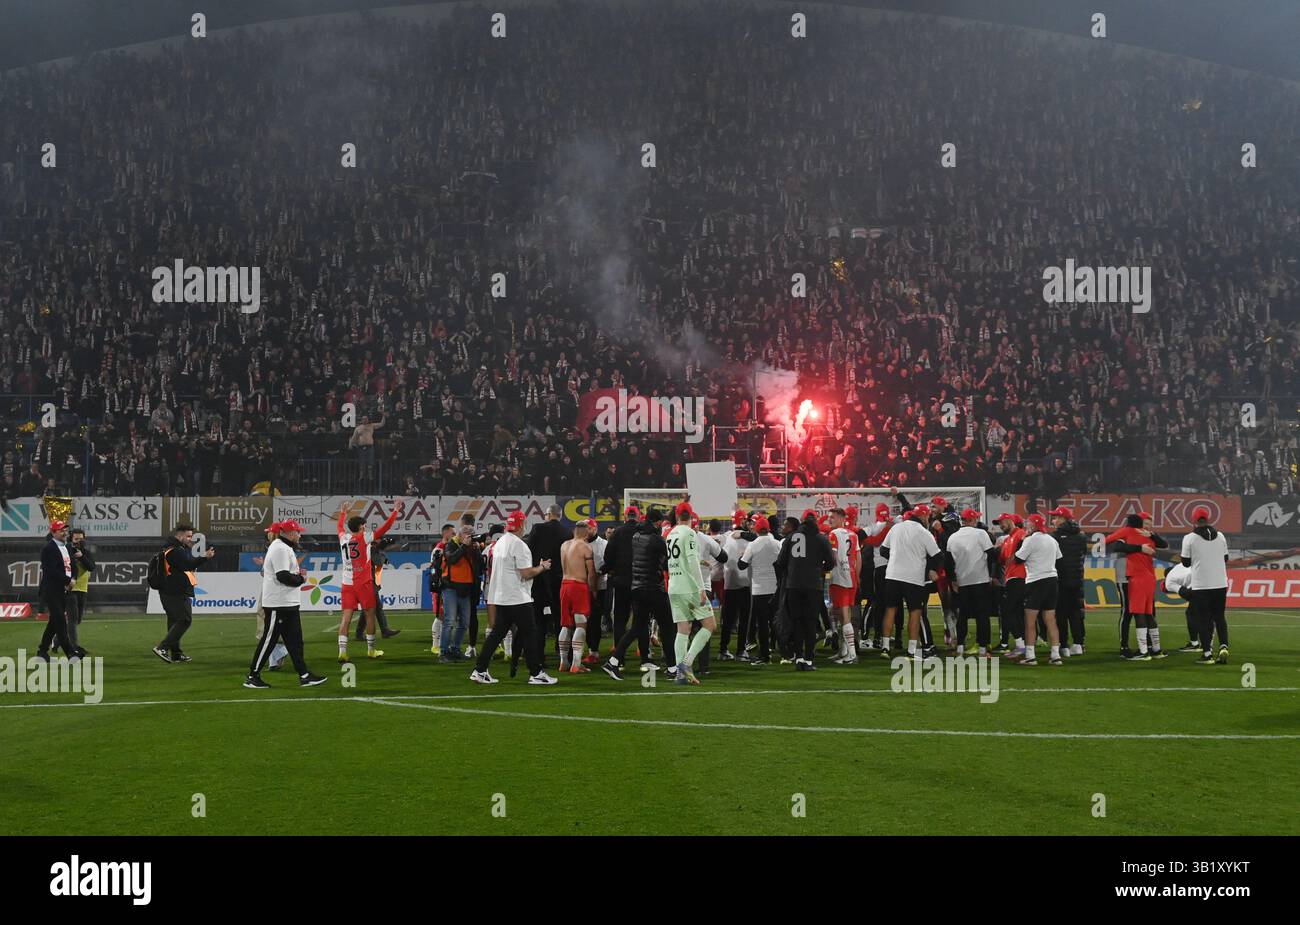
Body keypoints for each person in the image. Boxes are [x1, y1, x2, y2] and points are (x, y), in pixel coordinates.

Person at [470, 510, 558, 685]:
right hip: (517, 597)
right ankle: (536, 673)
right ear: (522, 525)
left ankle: (479, 670)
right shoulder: (519, 545)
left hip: (502, 596)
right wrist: (542, 567)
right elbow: (525, 573)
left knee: (496, 634)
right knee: (531, 633)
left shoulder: (501, 542)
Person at [244, 519, 327, 689]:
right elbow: (282, 576)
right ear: (290, 533)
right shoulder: (280, 548)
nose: (300, 535)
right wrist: (301, 579)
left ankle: (304, 675)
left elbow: (283, 574)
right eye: (298, 532)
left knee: (295, 642)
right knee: (269, 640)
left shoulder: (282, 547)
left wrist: (297, 576)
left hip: (286, 603)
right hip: (278, 604)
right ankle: (252, 676)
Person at [602, 507, 674, 680]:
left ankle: (613, 661)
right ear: (657, 522)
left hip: (637, 587)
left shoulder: (636, 536)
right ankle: (672, 667)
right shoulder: (657, 540)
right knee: (668, 627)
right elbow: (666, 566)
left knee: (636, 627)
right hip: (653, 589)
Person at [336, 501, 403, 663]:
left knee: (345, 619)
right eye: (364, 526)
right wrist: (395, 511)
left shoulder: (343, 538)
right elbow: (385, 528)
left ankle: (342, 652)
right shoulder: (364, 537)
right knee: (370, 615)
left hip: (347, 583)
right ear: (360, 527)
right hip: (363, 583)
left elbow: (339, 527)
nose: (365, 528)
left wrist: (343, 513)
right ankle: (371, 650)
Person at [877, 505, 940, 659]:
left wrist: (897, 558)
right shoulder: (924, 532)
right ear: (924, 517)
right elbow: (938, 556)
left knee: (890, 609)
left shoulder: (896, 528)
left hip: (892, 575)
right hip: (913, 577)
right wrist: (931, 569)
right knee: (915, 613)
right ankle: (911, 651)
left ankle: (885, 648)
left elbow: (883, 551)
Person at [777, 509, 836, 670]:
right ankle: (809, 659)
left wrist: (792, 570)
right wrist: (819, 569)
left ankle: (799, 658)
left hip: (793, 586)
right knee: (810, 622)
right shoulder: (821, 539)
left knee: (796, 622)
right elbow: (831, 562)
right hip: (813, 586)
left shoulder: (790, 538)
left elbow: (780, 561)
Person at [1106, 511, 1168, 660]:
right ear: (1140, 522)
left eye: (1150, 525)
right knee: (1135, 612)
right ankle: (1131, 646)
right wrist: (1140, 547)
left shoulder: (1139, 534)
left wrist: (1150, 535)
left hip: (1136, 577)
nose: (1148, 527)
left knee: (1138, 612)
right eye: (1146, 524)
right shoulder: (1134, 535)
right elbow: (1116, 546)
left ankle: (1144, 650)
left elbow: (1108, 542)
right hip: (1133, 577)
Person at [666, 502, 717, 684]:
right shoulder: (690, 533)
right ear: (692, 517)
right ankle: (686, 663)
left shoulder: (670, 534)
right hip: (689, 587)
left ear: (677, 516)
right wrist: (701, 588)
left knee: (683, 629)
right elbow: (691, 559)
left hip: (674, 586)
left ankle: (680, 675)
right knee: (710, 625)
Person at [153, 522, 215, 663]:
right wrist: (205, 557)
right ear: (179, 536)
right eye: (188, 536)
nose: (190, 539)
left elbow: (183, 564)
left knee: (174, 620)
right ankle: (162, 647)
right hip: (176, 591)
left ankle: (176, 653)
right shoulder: (176, 550)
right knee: (185, 620)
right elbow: (187, 565)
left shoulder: (170, 548)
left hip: (167, 590)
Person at [945, 508, 998, 657]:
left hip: (962, 582)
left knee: (963, 616)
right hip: (980, 580)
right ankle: (983, 649)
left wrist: (953, 580)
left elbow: (948, 563)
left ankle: (960, 648)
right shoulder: (981, 534)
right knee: (982, 616)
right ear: (972, 520)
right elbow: (992, 555)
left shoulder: (952, 538)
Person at [1181, 506, 1230, 665]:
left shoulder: (1189, 538)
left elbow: (1186, 563)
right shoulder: (1221, 536)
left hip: (1201, 585)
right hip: (1220, 583)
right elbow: (1225, 558)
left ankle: (1207, 653)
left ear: (1194, 521)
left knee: (1203, 619)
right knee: (1219, 617)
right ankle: (1223, 646)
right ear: (1208, 519)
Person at [1014, 513, 1064, 665]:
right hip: (1052, 580)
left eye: (1028, 522)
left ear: (1033, 525)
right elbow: (1059, 560)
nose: (1026, 525)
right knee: (1050, 618)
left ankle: (1030, 656)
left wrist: (1022, 541)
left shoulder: (1030, 539)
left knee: (1030, 619)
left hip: (1036, 581)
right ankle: (1056, 656)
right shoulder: (1052, 540)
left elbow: (1018, 559)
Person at [34, 520, 83, 662]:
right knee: (60, 621)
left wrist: (72, 579)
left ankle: (42, 651)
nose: (65, 532)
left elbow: (73, 566)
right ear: (53, 532)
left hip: (64, 590)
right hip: (51, 590)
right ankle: (71, 654)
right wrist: (68, 581)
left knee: (54, 622)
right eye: (61, 530)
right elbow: (50, 571)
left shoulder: (67, 547)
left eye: (65, 530)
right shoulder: (48, 549)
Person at [526, 504, 568, 660]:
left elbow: (528, 551)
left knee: (538, 618)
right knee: (560, 616)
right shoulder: (567, 532)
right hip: (559, 579)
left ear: (549, 514)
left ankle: (539, 652)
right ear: (560, 515)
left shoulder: (538, 528)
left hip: (539, 578)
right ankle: (561, 650)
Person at [737, 513, 781, 664]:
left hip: (759, 589)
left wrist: (741, 556)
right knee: (776, 622)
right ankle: (785, 653)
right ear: (768, 529)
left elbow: (741, 565)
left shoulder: (753, 545)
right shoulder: (777, 543)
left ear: (756, 530)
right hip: (775, 588)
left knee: (762, 624)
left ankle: (765, 655)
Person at [438, 516, 481, 663]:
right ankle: (443, 652)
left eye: (471, 534)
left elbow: (480, 566)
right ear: (460, 535)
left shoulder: (472, 548)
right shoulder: (450, 544)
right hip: (450, 587)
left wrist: (475, 549)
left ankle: (455, 649)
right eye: (467, 534)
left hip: (466, 588)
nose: (470, 537)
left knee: (464, 623)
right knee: (449, 621)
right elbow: (452, 559)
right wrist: (463, 546)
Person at [557, 520, 596, 673]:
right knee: (581, 623)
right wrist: (593, 590)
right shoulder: (586, 547)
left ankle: (563, 662)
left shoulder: (564, 545)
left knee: (566, 625)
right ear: (586, 532)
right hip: (578, 586)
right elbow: (591, 572)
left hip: (564, 585)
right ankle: (576, 664)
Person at [1049, 506, 1088, 656]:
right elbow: (1083, 554)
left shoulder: (1055, 536)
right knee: (1076, 612)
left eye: (1056, 517)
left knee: (1061, 613)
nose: (1054, 520)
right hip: (1077, 579)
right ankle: (1079, 644)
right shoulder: (1081, 535)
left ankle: (1063, 646)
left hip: (1061, 579)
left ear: (1063, 519)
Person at [826, 507, 861, 664]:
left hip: (839, 577)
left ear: (841, 518)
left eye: (832, 517)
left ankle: (852, 655)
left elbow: (832, 557)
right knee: (841, 614)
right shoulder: (853, 534)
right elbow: (858, 558)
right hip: (852, 576)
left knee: (844, 616)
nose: (830, 520)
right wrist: (856, 576)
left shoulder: (833, 534)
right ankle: (844, 651)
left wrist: (826, 570)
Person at [254, 522, 290, 672]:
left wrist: (264, 567)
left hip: (272, 591)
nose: (267, 534)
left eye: (269, 532)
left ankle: (280, 653)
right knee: (270, 623)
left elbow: (278, 573)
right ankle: (275, 659)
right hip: (275, 591)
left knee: (265, 622)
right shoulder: (277, 547)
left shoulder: (276, 548)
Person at [354, 537, 402, 642]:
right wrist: (382, 550)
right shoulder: (370, 550)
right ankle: (361, 633)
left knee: (375, 607)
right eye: (380, 540)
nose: (382, 542)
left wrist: (384, 550)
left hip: (371, 582)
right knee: (369, 608)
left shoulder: (375, 550)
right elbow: (378, 562)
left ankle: (384, 630)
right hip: (367, 582)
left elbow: (386, 562)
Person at [995, 513, 1027, 657]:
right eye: (999, 523)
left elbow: (1025, 549)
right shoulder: (1007, 540)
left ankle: (1021, 645)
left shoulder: (1020, 534)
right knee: (1016, 612)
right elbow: (1002, 560)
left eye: (1002, 522)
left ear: (1010, 521)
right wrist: (997, 550)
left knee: (1008, 610)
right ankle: (1024, 645)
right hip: (1011, 578)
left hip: (1019, 577)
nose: (1001, 525)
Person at [63, 528, 95, 654]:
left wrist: (82, 557)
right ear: (71, 539)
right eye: (76, 539)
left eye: (81, 539)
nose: (78, 542)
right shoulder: (65, 551)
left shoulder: (85, 552)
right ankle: (74, 647)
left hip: (82, 588)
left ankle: (57, 639)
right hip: (69, 588)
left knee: (78, 619)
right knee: (72, 619)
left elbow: (91, 567)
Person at [582, 518, 607, 666]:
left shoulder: (604, 544)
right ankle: (588, 649)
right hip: (583, 586)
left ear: (595, 528)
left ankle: (594, 651)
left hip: (600, 586)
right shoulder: (580, 543)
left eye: (589, 528)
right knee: (583, 619)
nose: (587, 531)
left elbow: (608, 563)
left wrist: (598, 574)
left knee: (595, 619)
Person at [429, 523, 453, 654]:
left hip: (447, 585)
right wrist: (438, 583)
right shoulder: (439, 549)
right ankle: (435, 645)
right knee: (440, 615)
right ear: (445, 533)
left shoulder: (447, 547)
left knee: (446, 615)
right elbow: (434, 568)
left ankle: (443, 643)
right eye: (452, 533)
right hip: (440, 585)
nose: (454, 535)